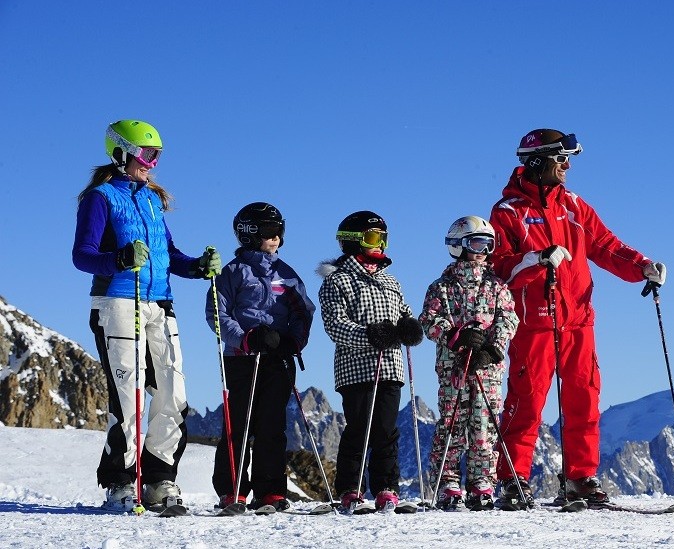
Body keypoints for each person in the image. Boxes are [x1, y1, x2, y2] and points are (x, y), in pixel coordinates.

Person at [488, 128, 666, 508]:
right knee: (527, 400)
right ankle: (512, 480)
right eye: (561, 159)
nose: (568, 166)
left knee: (584, 398)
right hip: (534, 322)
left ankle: (579, 478)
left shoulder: (574, 205)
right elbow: (498, 267)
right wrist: (535, 260)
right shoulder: (508, 213)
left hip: (578, 320)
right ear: (538, 161)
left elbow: (606, 245)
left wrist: (644, 267)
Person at [72, 119, 221, 512]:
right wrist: (118, 259)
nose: (151, 163)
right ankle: (121, 481)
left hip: (160, 302)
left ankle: (158, 478)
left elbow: (168, 255)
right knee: (130, 397)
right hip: (118, 302)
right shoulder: (100, 197)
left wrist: (199, 266)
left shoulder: (152, 201)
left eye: (157, 156)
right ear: (120, 152)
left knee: (173, 393)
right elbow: (82, 255)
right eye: (145, 154)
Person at [206, 202, 315, 512]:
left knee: (272, 424)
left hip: (277, 356)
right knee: (238, 422)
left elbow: (302, 311)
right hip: (243, 357)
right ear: (250, 234)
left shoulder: (286, 273)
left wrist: (293, 340)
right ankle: (233, 490)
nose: (276, 238)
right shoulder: (233, 272)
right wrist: (245, 338)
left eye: (279, 231)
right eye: (269, 232)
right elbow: (217, 312)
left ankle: (270, 491)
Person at [317, 210, 424, 512]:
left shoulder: (390, 280)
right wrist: (369, 335)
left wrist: (409, 326)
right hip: (356, 368)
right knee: (360, 427)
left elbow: (404, 311)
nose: (381, 245)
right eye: (374, 238)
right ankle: (351, 488)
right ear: (353, 241)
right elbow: (335, 324)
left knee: (386, 430)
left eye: (384, 238)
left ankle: (386, 487)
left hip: (390, 366)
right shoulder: (338, 281)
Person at [419, 215, 518, 511]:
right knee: (452, 420)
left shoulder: (496, 286)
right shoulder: (443, 287)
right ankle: (448, 481)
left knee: (484, 423)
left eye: (489, 245)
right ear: (458, 245)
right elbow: (428, 320)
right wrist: (453, 336)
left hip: (487, 369)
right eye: (477, 243)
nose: (483, 251)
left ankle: (482, 481)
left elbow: (508, 318)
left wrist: (494, 348)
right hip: (454, 366)